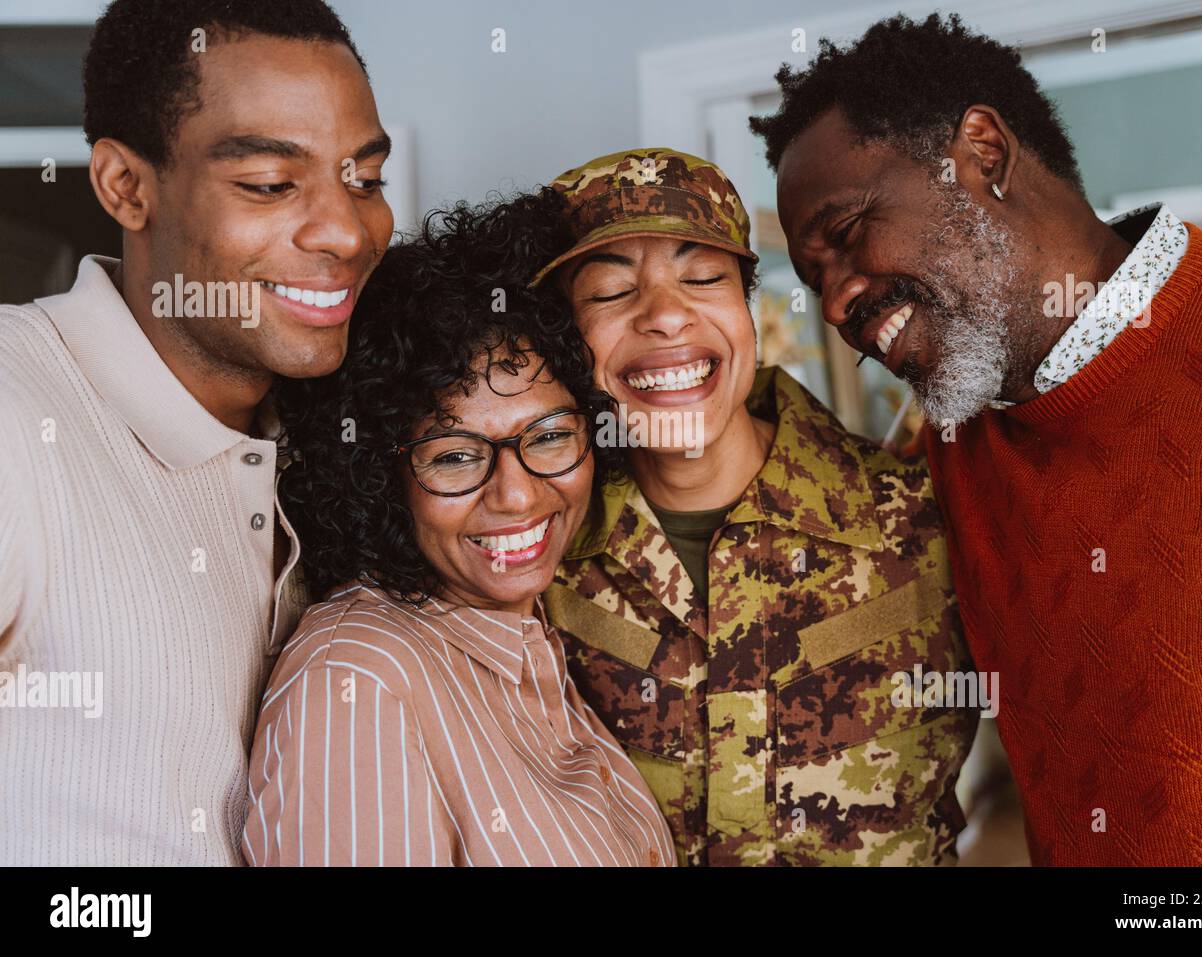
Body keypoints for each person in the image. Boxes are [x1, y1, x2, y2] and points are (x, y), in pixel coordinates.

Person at [754, 12, 1202, 865]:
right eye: (814, 274)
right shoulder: (939, 460)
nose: (832, 304)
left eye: (849, 230)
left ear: (983, 152)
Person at [0, 0, 392, 864]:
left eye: (364, 178)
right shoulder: (15, 412)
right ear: (125, 187)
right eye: (269, 183)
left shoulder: (336, 440)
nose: (345, 229)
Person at [531, 148, 979, 866]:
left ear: (748, 311)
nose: (667, 316)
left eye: (704, 278)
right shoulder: (533, 552)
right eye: (612, 293)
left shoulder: (925, 515)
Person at [244, 194, 675, 867]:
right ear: (378, 474)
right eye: (453, 455)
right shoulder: (358, 682)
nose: (517, 492)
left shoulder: (531, 642)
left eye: (551, 434)